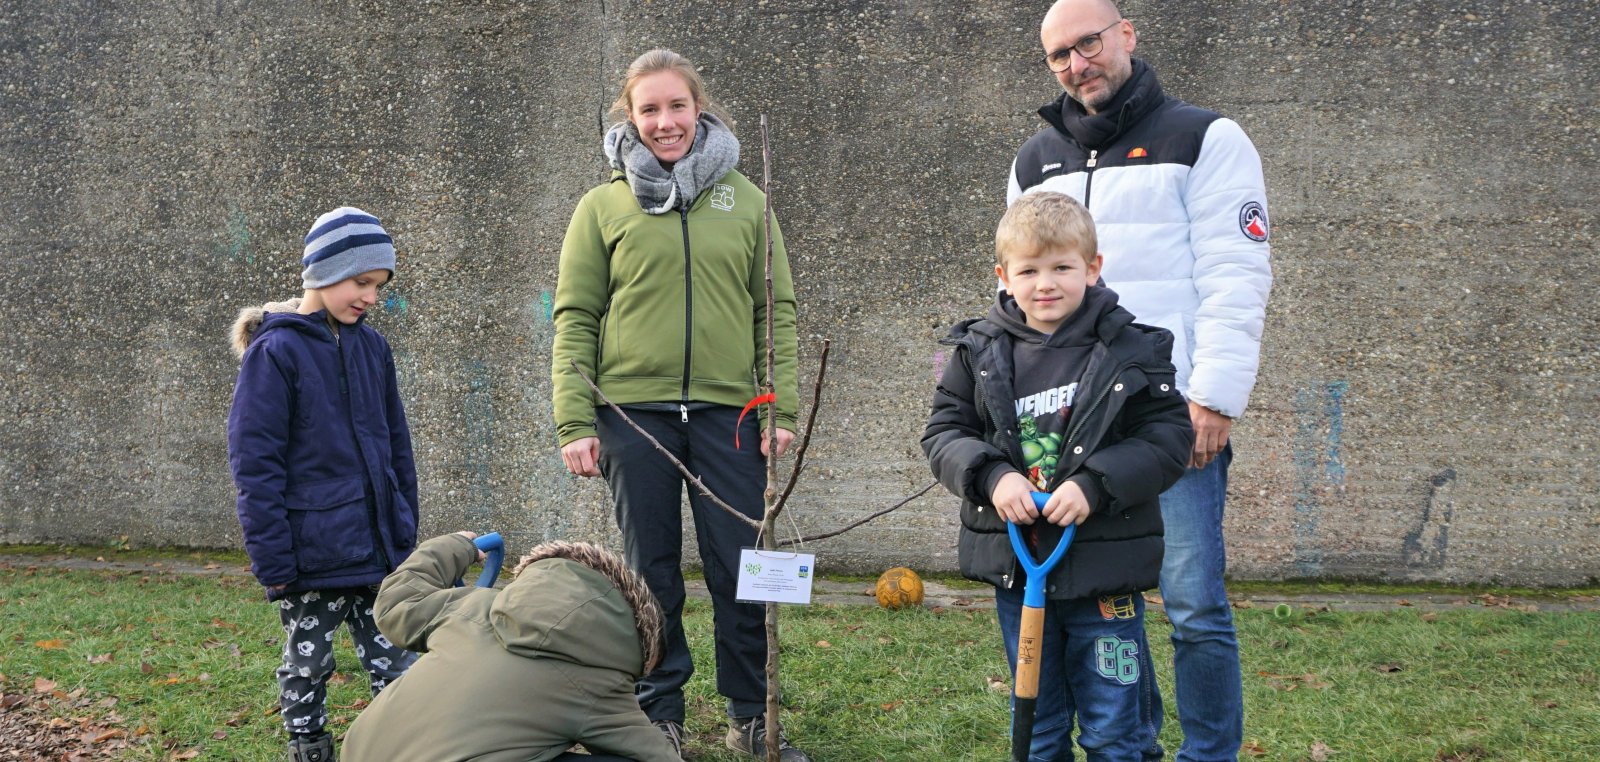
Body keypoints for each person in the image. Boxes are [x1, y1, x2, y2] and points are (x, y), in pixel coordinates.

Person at [1007, 2, 1274, 759]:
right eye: (1059, 55)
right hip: (1072, 434)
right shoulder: (1034, 161)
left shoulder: (1206, 139)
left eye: (1088, 43)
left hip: (1173, 417)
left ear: (1126, 35)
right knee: (1105, 601)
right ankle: (1138, 744)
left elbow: (1236, 272)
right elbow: (1020, 291)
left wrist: (1214, 396)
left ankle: (1209, 753)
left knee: (1190, 604)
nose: (1076, 64)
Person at [550, 49, 807, 761]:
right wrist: (576, 419)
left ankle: (752, 715)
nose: (665, 122)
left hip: (730, 420)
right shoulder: (603, 207)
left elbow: (774, 310)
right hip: (634, 419)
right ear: (629, 119)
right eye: (649, 110)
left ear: (700, 110)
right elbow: (576, 315)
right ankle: (658, 715)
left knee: (742, 571)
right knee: (651, 575)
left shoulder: (748, 201)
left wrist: (779, 410)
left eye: (677, 106)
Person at [924, 191, 1193, 760]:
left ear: (1093, 269)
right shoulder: (979, 351)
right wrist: (993, 477)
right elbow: (945, 433)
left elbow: (1168, 440)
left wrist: (1095, 484)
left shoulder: (1135, 349)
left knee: (1115, 730)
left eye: (1063, 268)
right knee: (1038, 726)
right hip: (1019, 573)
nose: (1045, 284)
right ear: (1004, 276)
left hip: (1106, 576)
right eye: (1029, 270)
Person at [227, 206, 421, 762]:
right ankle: (309, 746)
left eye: (378, 286)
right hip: (310, 554)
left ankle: (399, 743)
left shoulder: (373, 348)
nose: (370, 297)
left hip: (377, 549)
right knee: (308, 661)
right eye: (362, 282)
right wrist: (273, 559)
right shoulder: (276, 352)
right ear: (323, 271)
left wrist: (402, 524)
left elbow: (396, 445)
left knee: (396, 658)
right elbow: (255, 463)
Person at [340, 532, 682, 762]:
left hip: (361, 750)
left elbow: (398, 601)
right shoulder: (599, 681)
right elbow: (655, 755)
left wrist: (456, 544)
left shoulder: (473, 606)